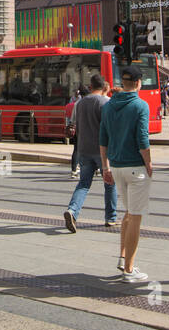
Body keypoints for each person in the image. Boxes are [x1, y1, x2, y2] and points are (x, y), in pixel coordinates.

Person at [99, 69, 153, 284]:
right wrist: (148, 162)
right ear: (139, 83)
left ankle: (123, 258)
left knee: (129, 213)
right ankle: (129, 270)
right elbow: (142, 138)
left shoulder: (109, 105)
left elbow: (103, 137)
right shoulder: (140, 105)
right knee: (136, 217)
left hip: (117, 167)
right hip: (136, 167)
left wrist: (105, 166)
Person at [63, 75, 118, 231]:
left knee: (83, 184)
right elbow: (110, 128)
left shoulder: (79, 103)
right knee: (110, 182)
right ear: (103, 87)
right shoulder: (106, 102)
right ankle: (111, 217)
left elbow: (73, 124)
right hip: (102, 150)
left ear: (91, 86)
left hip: (83, 149)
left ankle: (72, 211)